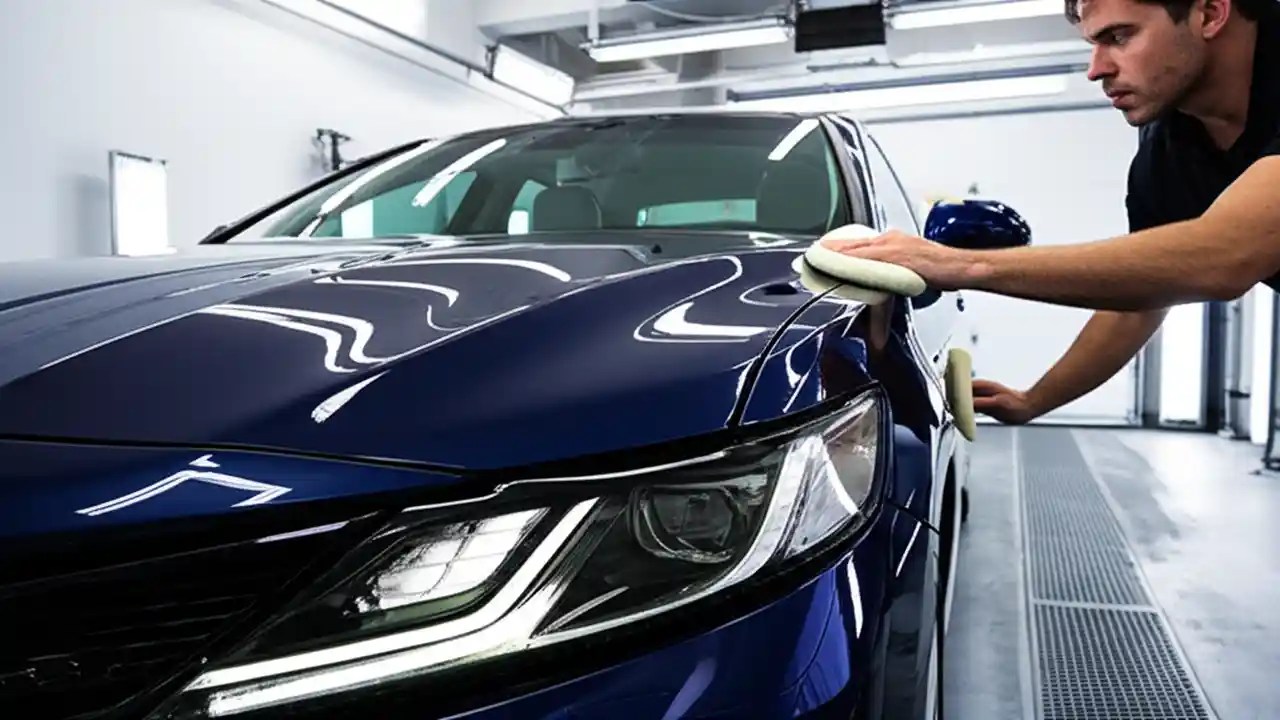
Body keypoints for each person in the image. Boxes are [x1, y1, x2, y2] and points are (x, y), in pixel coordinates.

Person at [823, 0, 1280, 425]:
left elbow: (1225, 256)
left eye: (1119, 37)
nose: (1096, 69)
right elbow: (1143, 298)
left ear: (1211, 12)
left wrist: (957, 264)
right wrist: (1035, 399)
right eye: (1093, 44)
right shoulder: (1170, 148)